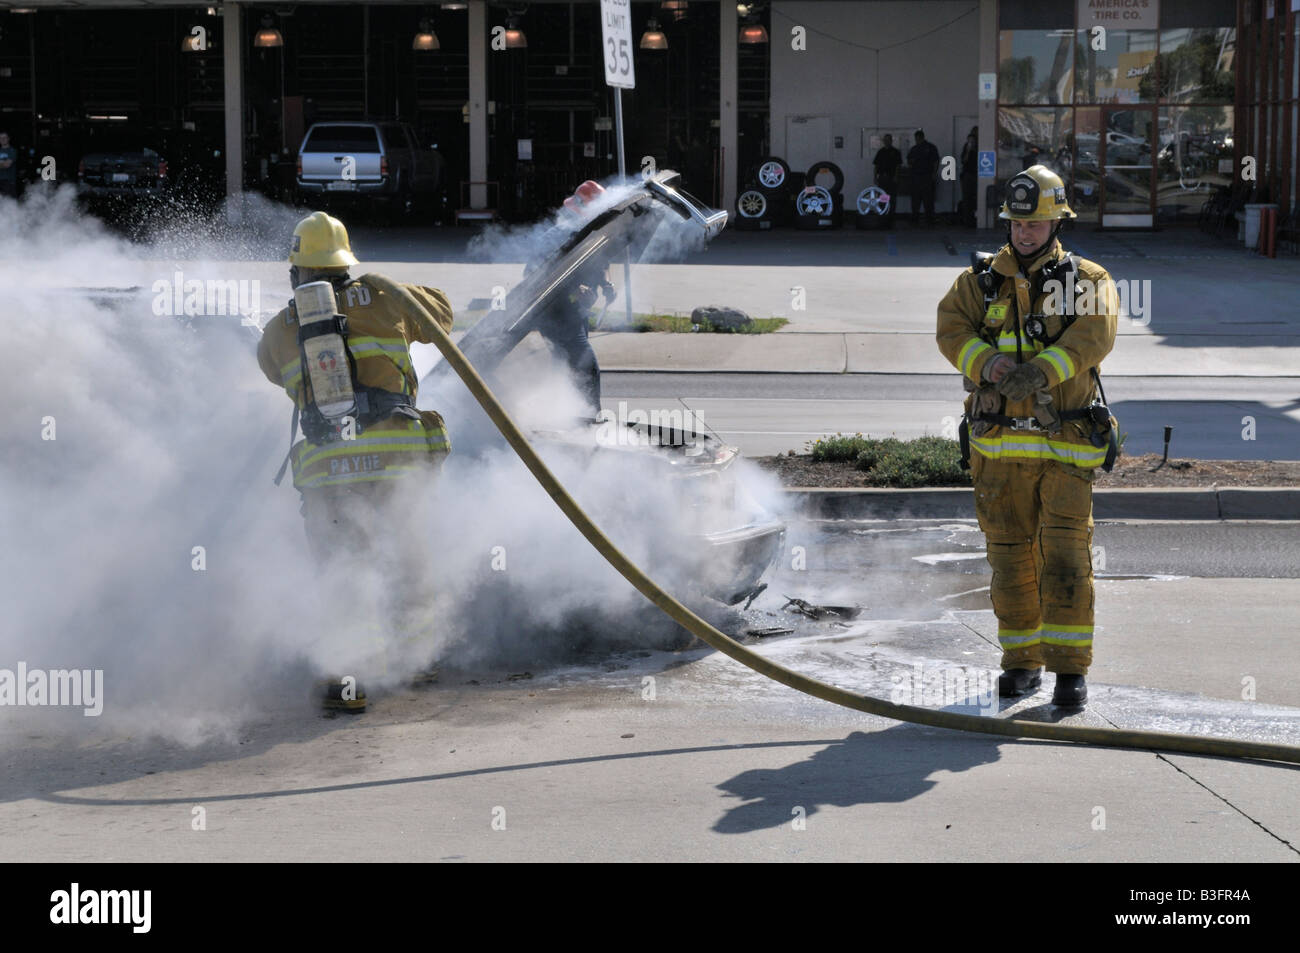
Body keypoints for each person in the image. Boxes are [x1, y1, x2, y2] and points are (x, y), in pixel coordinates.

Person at [935, 165, 1119, 709]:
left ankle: (1069, 674)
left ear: (1057, 222)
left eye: (1036, 222)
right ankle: (1020, 663)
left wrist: (1040, 373)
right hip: (997, 456)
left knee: (1065, 560)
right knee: (1010, 559)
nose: (1025, 232)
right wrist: (989, 364)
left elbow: (1096, 334)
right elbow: (951, 329)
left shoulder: (1089, 280)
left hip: (1065, 453)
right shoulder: (979, 280)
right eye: (1018, 222)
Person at [257, 211, 454, 711]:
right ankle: (418, 660)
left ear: (295, 271)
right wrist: (379, 294)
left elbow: (271, 369)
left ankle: (346, 677)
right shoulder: (388, 298)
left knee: (342, 565)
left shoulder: (279, 330)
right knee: (408, 556)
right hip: (397, 461)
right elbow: (444, 317)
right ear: (346, 264)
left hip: (329, 471)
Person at [523, 180, 614, 418]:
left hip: (576, 312)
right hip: (554, 313)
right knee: (585, 363)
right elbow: (534, 278)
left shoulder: (591, 233)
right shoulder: (557, 238)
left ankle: (565, 412)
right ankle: (589, 416)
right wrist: (575, 292)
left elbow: (601, 261)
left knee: (565, 364)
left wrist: (605, 284)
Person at [907, 129, 940, 226]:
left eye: (918, 138)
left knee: (927, 199)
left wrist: (934, 173)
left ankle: (928, 219)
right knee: (917, 199)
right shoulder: (914, 149)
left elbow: (936, 161)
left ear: (921, 137)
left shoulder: (930, 147)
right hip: (918, 176)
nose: (917, 140)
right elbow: (909, 161)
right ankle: (918, 218)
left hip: (926, 176)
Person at [872, 133, 903, 228]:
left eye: (889, 140)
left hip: (891, 178)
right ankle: (883, 215)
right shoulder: (880, 152)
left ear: (891, 141)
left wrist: (896, 177)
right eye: (885, 140)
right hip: (882, 178)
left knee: (892, 198)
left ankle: (891, 217)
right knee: (883, 197)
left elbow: (898, 166)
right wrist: (875, 177)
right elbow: (876, 166)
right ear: (883, 141)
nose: (887, 141)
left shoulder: (896, 152)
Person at [960, 126, 979, 227]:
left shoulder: (979, 147)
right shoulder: (966, 148)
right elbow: (963, 161)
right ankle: (967, 221)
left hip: (976, 175)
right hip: (968, 174)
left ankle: (975, 219)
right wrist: (968, 150)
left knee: (976, 198)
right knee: (967, 199)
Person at [0, 132, 18, 198]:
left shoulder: (12, 151)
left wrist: (3, 163)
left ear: (8, 139)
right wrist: (3, 162)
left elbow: (7, 165)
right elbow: (4, 164)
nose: (2, 139)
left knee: (10, 203)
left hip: (9, 181)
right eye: (1, 138)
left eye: (4, 137)